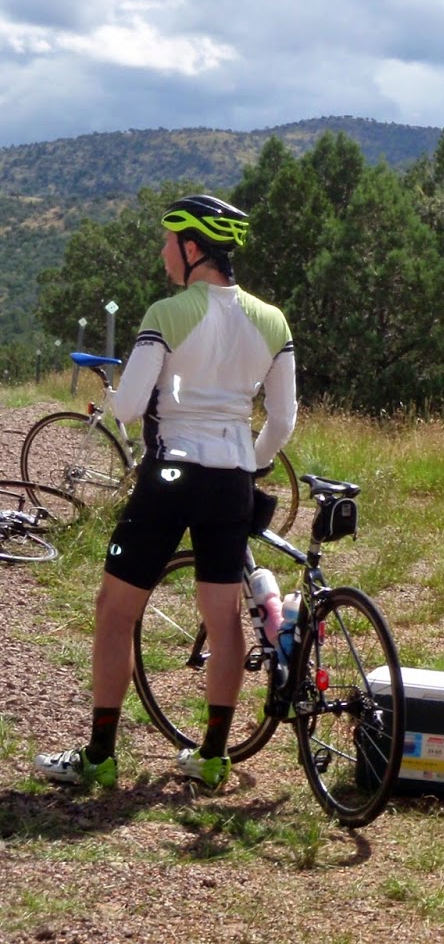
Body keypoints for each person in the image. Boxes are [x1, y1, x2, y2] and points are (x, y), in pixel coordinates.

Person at [35, 195, 296, 792]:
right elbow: (281, 422)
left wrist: (128, 382)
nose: (162, 251)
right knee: (223, 617)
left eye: (169, 240)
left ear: (193, 248)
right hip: (231, 478)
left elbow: (126, 407)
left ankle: (100, 755)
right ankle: (210, 755)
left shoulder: (168, 311)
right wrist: (246, 466)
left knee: (115, 609)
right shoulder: (273, 320)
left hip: (173, 472)